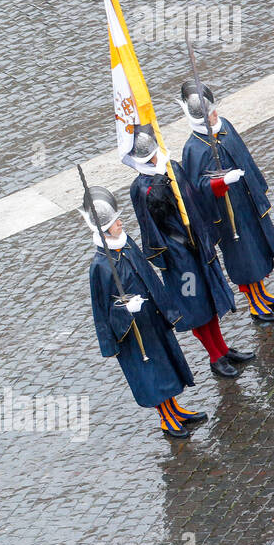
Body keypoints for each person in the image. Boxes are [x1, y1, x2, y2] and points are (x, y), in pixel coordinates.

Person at [127, 131, 254, 379]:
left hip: (198, 247)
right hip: (179, 260)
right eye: (149, 159)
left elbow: (194, 199)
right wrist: (180, 241)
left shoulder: (172, 168)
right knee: (196, 306)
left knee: (209, 300)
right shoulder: (142, 188)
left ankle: (223, 348)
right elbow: (153, 229)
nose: (155, 161)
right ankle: (215, 357)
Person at [84, 184, 204, 440]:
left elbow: (149, 276)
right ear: (105, 230)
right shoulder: (101, 267)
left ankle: (175, 409)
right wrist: (125, 310)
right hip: (132, 330)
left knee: (166, 366)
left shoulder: (127, 246)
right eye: (115, 222)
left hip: (152, 320)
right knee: (153, 375)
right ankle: (166, 418)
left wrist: (165, 309)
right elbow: (102, 309)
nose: (120, 224)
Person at [178, 82, 274, 326]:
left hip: (246, 201)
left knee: (258, 249)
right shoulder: (193, 148)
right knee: (243, 258)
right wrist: (219, 183)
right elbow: (196, 189)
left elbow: (245, 157)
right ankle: (254, 302)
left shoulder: (225, 127)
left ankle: (262, 293)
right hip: (226, 213)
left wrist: (257, 187)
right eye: (209, 114)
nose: (214, 114)